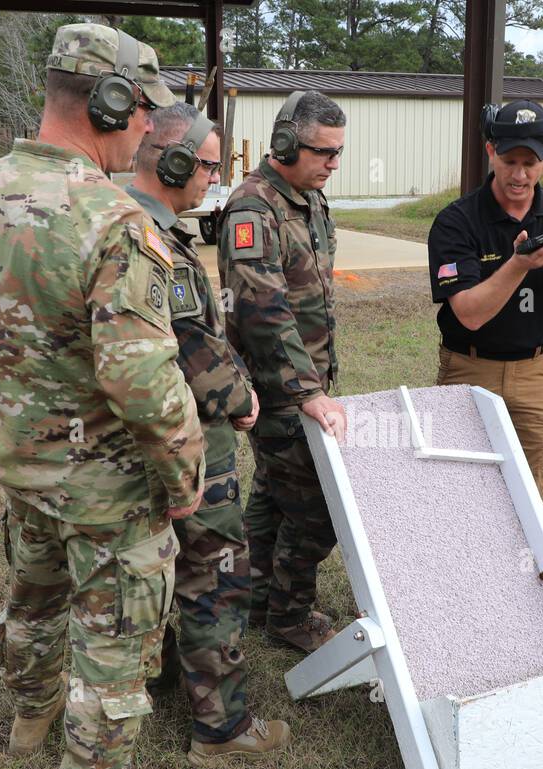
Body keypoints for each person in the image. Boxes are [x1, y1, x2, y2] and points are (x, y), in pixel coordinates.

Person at [0, 23, 205, 769]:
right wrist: (183, 476)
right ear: (113, 104)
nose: (150, 128)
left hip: (22, 467)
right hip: (110, 486)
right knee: (115, 645)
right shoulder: (115, 222)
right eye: (145, 111)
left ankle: (29, 713)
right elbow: (144, 379)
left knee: (35, 590)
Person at [124, 101, 290, 763]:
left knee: (161, 561)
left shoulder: (114, 220)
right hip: (193, 436)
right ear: (171, 162)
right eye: (208, 168)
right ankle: (221, 727)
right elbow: (191, 341)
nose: (213, 182)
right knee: (216, 567)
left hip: (135, 435)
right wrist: (242, 398)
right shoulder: (155, 236)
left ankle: (166, 673)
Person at [216, 90, 349, 653]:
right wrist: (305, 392)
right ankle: (290, 617)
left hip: (306, 384)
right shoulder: (255, 208)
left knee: (274, 494)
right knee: (316, 509)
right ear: (285, 144)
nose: (333, 164)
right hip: (279, 391)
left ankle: (253, 594)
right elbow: (262, 312)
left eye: (340, 152)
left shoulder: (309, 198)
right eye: (323, 152)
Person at [427, 99, 543, 495]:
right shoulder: (457, 221)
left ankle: (520, 560)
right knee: (458, 488)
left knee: (529, 492)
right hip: (468, 369)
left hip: (535, 372)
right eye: (509, 161)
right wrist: (520, 263)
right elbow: (469, 314)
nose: (519, 175)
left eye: (531, 162)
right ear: (491, 151)